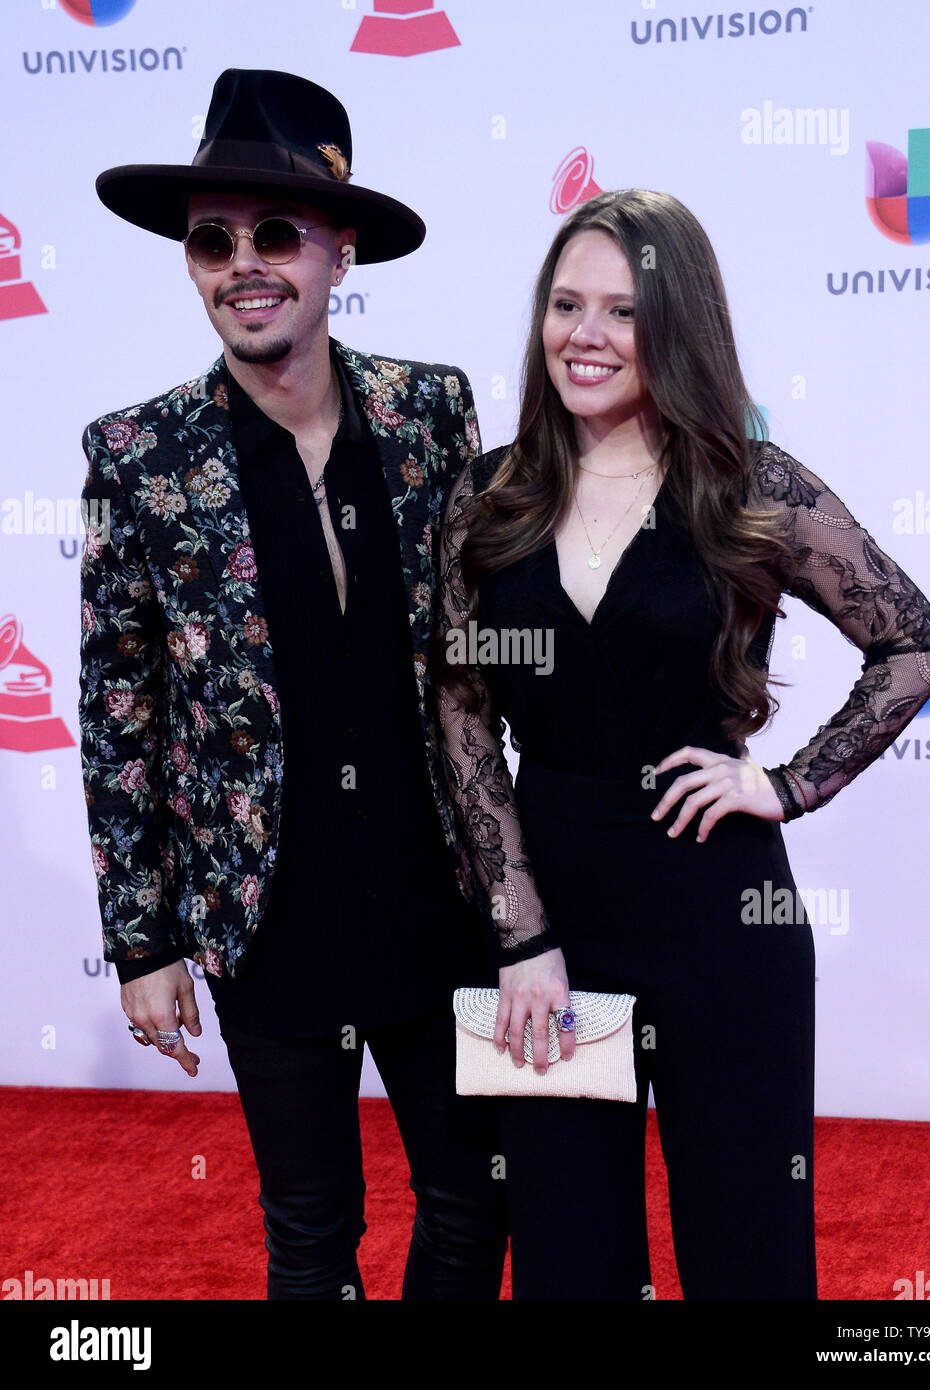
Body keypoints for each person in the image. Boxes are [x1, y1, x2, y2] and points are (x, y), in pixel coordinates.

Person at [435, 188, 930, 1300]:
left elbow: (911, 641)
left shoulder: (748, 488)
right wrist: (519, 932)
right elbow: (462, 712)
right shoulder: (486, 496)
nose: (585, 334)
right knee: (567, 1263)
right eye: (564, 304)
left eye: (621, 311)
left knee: (747, 1249)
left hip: (724, 913)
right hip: (550, 917)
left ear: (676, 327)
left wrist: (786, 783)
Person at [78, 68, 507, 1300]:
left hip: (440, 889)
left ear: (338, 248)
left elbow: (476, 651)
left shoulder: (429, 411)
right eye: (211, 240)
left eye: (275, 232)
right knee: (311, 1233)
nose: (241, 264)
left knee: (474, 1203)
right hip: (265, 910)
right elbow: (120, 710)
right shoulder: (138, 453)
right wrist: (143, 936)